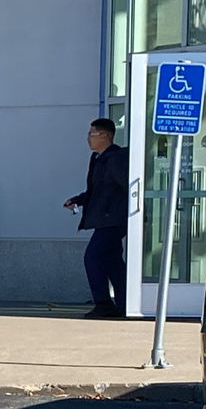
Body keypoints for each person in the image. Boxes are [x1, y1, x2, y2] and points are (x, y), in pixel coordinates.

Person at [64, 118, 130, 319]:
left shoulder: (116, 159)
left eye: (91, 134)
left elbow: (128, 187)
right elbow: (97, 191)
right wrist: (78, 200)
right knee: (113, 261)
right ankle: (124, 303)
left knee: (92, 257)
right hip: (105, 219)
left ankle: (103, 303)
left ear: (104, 136)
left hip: (113, 220)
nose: (88, 139)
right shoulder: (98, 159)